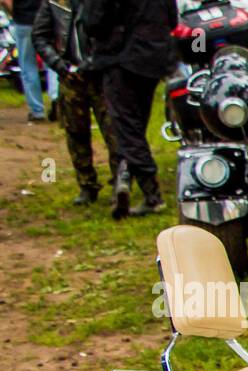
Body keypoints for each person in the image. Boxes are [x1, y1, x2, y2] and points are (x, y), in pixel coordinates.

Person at [82, 0, 176, 219]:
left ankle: (151, 193)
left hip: (121, 58)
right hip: (154, 57)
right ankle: (124, 179)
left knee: (127, 127)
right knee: (135, 125)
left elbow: (93, 22)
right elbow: (172, 18)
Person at [32, 0, 119, 205]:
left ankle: (119, 183)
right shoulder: (54, 3)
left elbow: (116, 31)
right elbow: (39, 36)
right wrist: (58, 64)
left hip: (101, 75)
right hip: (70, 76)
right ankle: (87, 185)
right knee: (75, 133)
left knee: (114, 132)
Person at [2, 0, 48, 120]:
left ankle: (37, 111)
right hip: (46, 20)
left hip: (23, 22)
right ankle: (56, 98)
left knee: (28, 66)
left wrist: (14, 15)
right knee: (52, 64)